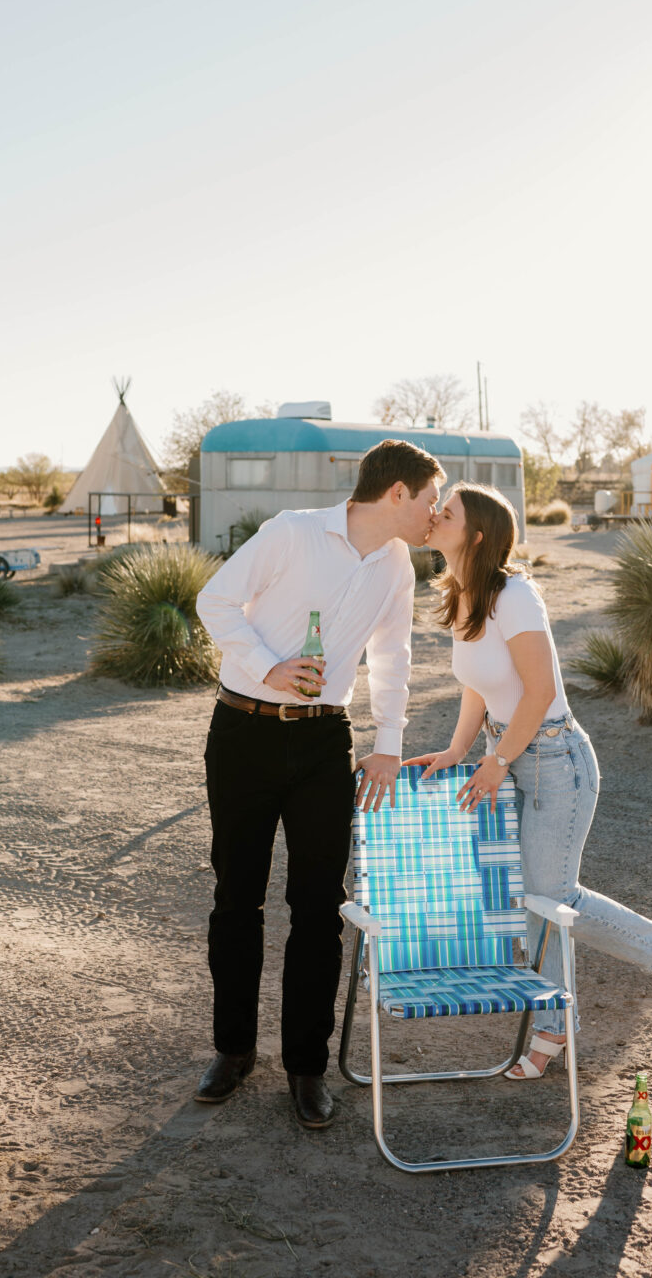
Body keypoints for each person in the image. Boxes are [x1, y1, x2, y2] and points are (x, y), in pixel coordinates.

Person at [193, 439, 444, 1126]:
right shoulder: (292, 532)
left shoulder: (396, 564)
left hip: (323, 742)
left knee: (317, 909)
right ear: (397, 492)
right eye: (430, 498)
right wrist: (267, 666)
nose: (435, 511)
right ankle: (233, 1052)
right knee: (236, 897)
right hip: (243, 729)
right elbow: (214, 602)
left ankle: (306, 1068)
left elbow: (393, 656)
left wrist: (387, 745)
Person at [407, 483, 652, 1080]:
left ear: (476, 535)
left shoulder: (514, 596)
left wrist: (496, 761)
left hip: (555, 760)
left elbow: (538, 692)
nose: (434, 516)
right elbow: (479, 684)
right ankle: (554, 1025)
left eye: (447, 512)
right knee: (535, 899)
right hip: (507, 753)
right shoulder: (463, 595)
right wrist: (460, 748)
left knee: (551, 896)